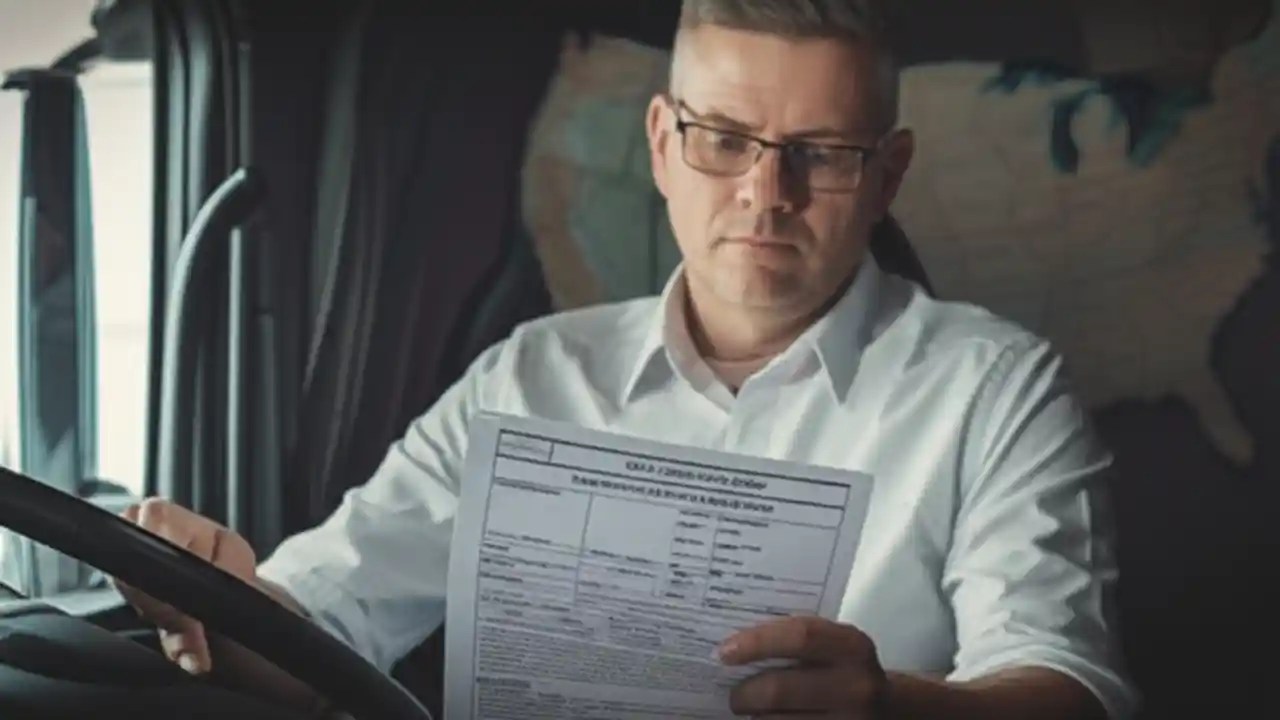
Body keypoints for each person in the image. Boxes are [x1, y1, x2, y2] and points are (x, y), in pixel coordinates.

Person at [116, 1, 1137, 718]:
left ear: (887, 176)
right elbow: (316, 634)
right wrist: (212, 600)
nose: (764, 192)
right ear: (659, 145)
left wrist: (891, 711)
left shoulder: (995, 390)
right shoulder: (527, 379)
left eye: (820, 153)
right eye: (724, 139)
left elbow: (1067, 683)